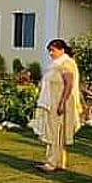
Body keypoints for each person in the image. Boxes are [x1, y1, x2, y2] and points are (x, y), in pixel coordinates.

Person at [34, 39, 82, 172]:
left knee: (55, 133)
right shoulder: (55, 64)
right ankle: (58, 161)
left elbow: (69, 84)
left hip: (58, 102)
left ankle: (52, 162)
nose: (51, 53)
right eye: (49, 50)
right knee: (54, 132)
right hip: (51, 101)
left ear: (62, 50)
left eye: (53, 50)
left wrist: (62, 103)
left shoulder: (66, 64)